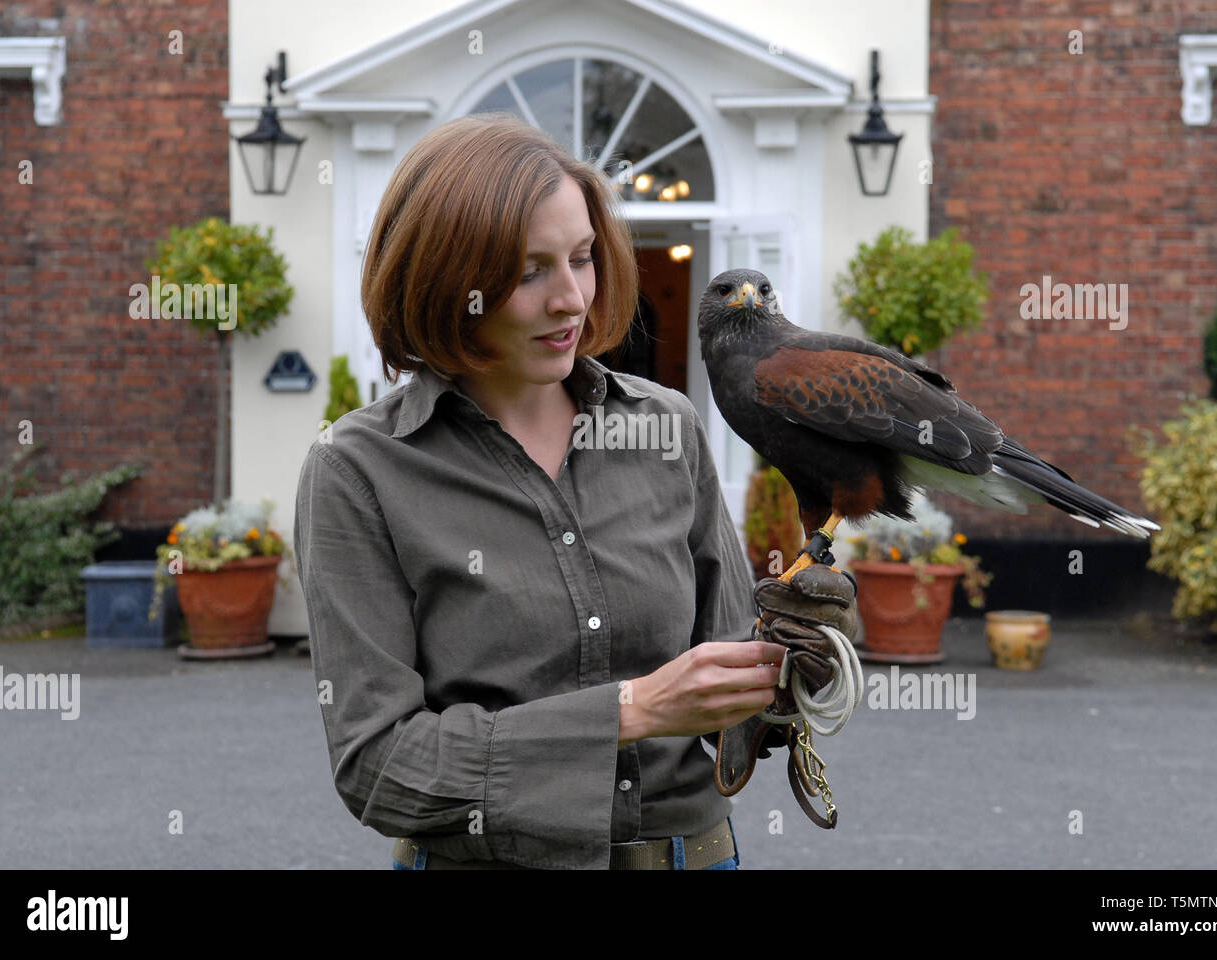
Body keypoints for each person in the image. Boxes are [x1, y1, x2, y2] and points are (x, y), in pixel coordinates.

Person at [293, 113, 848, 870]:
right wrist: (630, 711)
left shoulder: (667, 429)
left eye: (582, 259)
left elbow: (732, 701)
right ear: (445, 282)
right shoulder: (360, 470)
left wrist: (792, 660)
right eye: (529, 272)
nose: (570, 299)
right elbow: (381, 768)